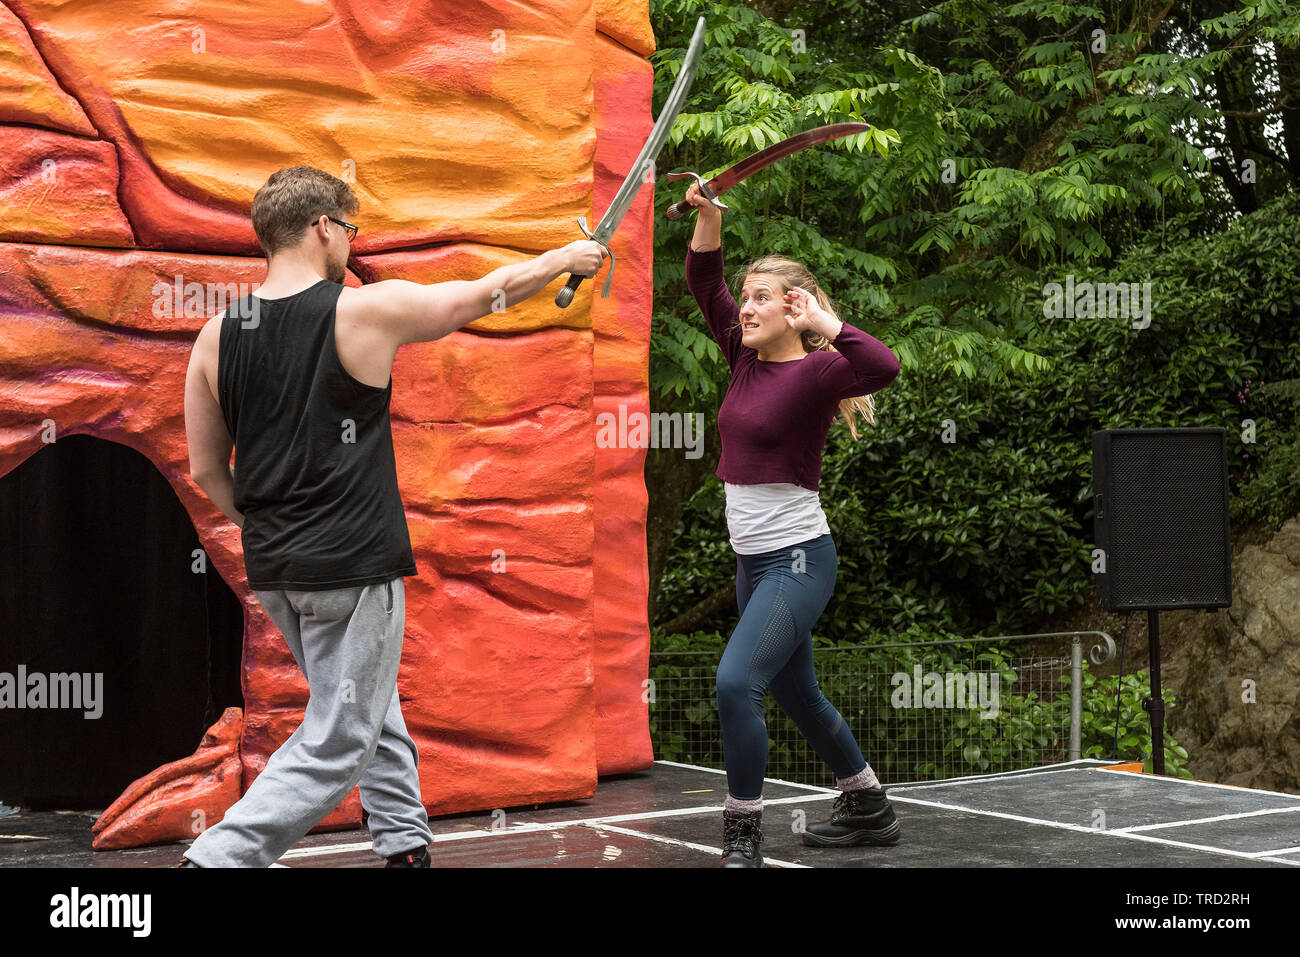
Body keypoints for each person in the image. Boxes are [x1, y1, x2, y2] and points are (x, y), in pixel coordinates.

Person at [181, 165, 607, 867]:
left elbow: (205, 470)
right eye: (349, 229)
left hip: (278, 568)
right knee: (341, 735)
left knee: (368, 699)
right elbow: (479, 297)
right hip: (352, 561)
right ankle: (216, 859)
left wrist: (261, 521)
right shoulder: (360, 310)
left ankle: (405, 843)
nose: (350, 242)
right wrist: (566, 258)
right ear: (323, 227)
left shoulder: (216, 336)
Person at [681, 180, 902, 868]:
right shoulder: (741, 355)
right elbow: (702, 276)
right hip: (753, 563)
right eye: (744, 298)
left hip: (799, 561)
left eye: (761, 298)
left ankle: (742, 837)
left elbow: (884, 366)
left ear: (793, 308)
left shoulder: (819, 373)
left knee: (734, 682)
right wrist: (710, 215)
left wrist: (826, 325)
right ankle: (867, 802)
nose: (743, 307)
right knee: (795, 691)